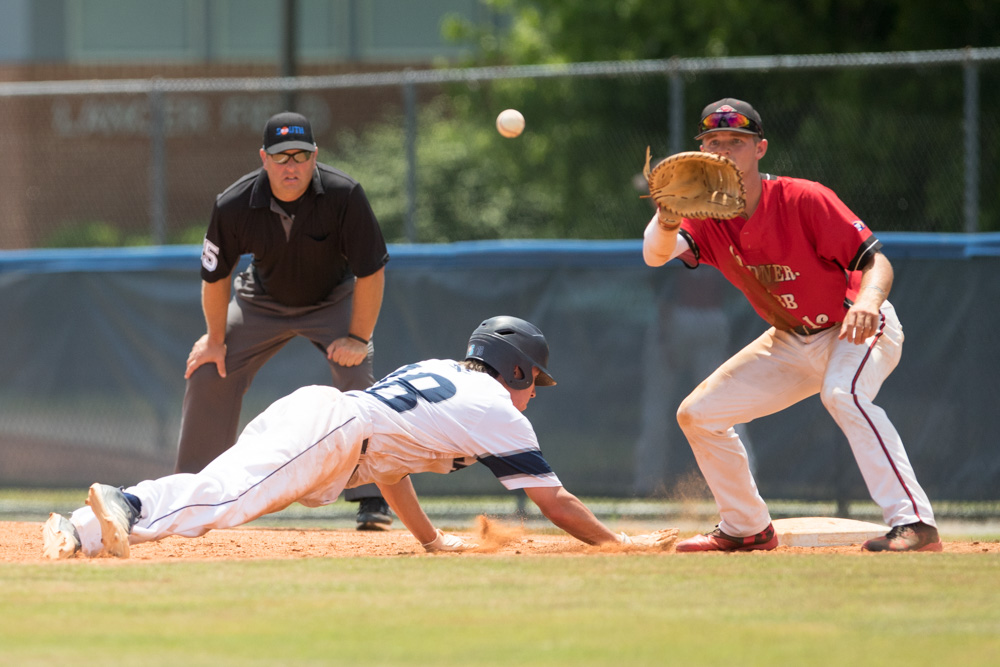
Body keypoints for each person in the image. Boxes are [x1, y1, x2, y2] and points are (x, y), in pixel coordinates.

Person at [42, 316, 677, 560]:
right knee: (224, 497)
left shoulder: (446, 375)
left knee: (224, 486)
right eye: (533, 378)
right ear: (513, 367)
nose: (533, 391)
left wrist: (431, 540)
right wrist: (618, 545)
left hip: (332, 426)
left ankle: (83, 530)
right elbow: (556, 503)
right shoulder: (500, 413)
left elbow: (391, 470)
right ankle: (124, 502)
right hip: (336, 431)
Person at [641, 98, 940, 553]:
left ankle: (915, 523)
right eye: (714, 142)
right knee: (698, 415)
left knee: (843, 394)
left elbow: (877, 262)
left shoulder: (803, 197)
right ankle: (747, 528)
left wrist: (869, 301)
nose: (724, 150)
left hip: (854, 328)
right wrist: (665, 218)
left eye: (736, 142)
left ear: (760, 149)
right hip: (787, 340)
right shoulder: (704, 216)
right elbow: (654, 254)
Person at [178, 111, 392, 530]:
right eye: (280, 156)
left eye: (299, 155)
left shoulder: (344, 195)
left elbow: (371, 272)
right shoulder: (234, 203)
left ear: (315, 156)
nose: (290, 165)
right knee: (208, 369)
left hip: (332, 299)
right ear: (264, 158)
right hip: (263, 300)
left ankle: (373, 499)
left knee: (358, 379)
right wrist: (215, 338)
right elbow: (215, 276)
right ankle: (187, 498)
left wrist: (357, 336)